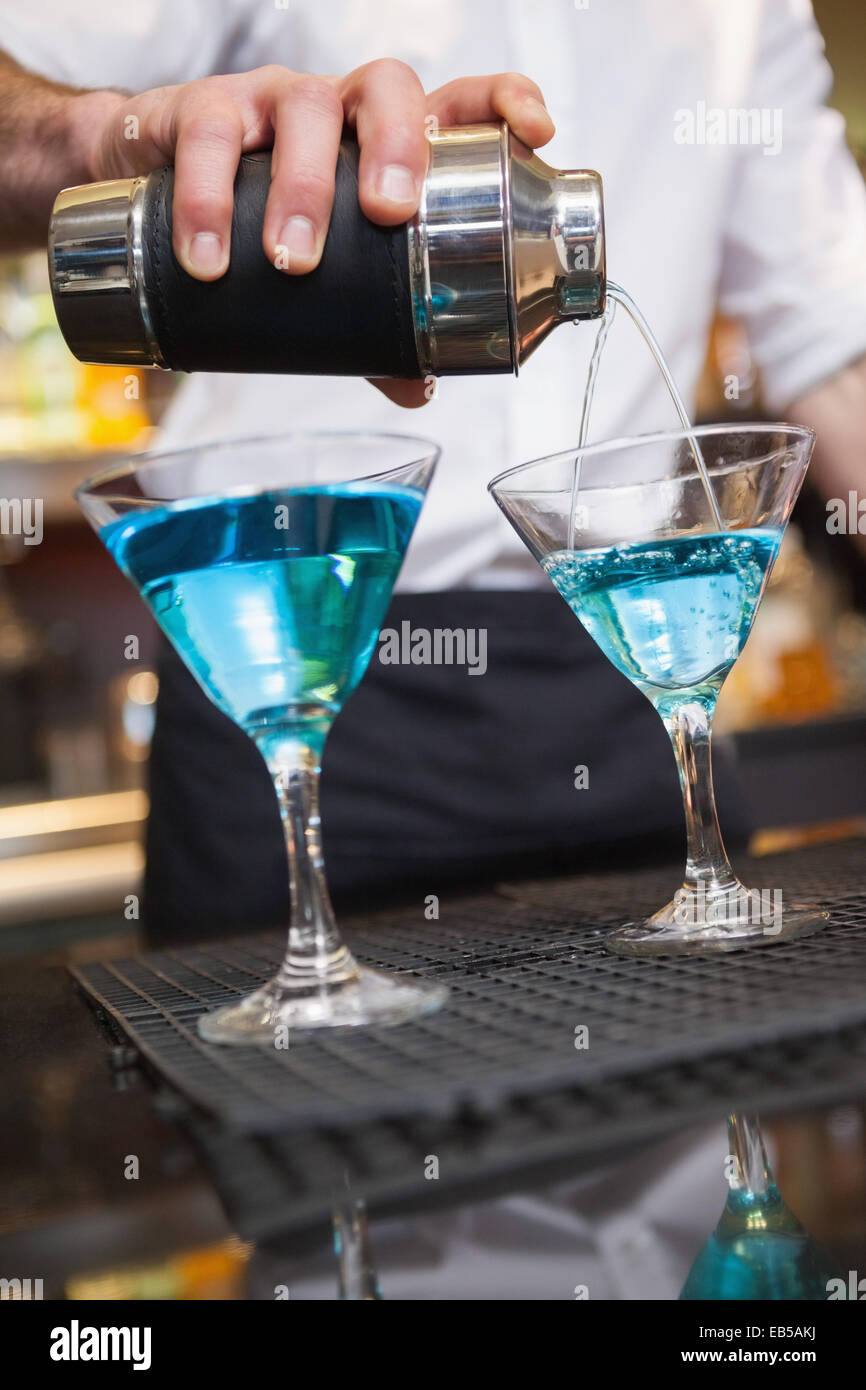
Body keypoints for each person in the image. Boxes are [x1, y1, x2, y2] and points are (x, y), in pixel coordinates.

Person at [1, 0, 865, 1299]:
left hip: (615, 692)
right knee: (307, 1199)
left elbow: (834, 351)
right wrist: (95, 133)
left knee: (707, 1188)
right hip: (294, 645)